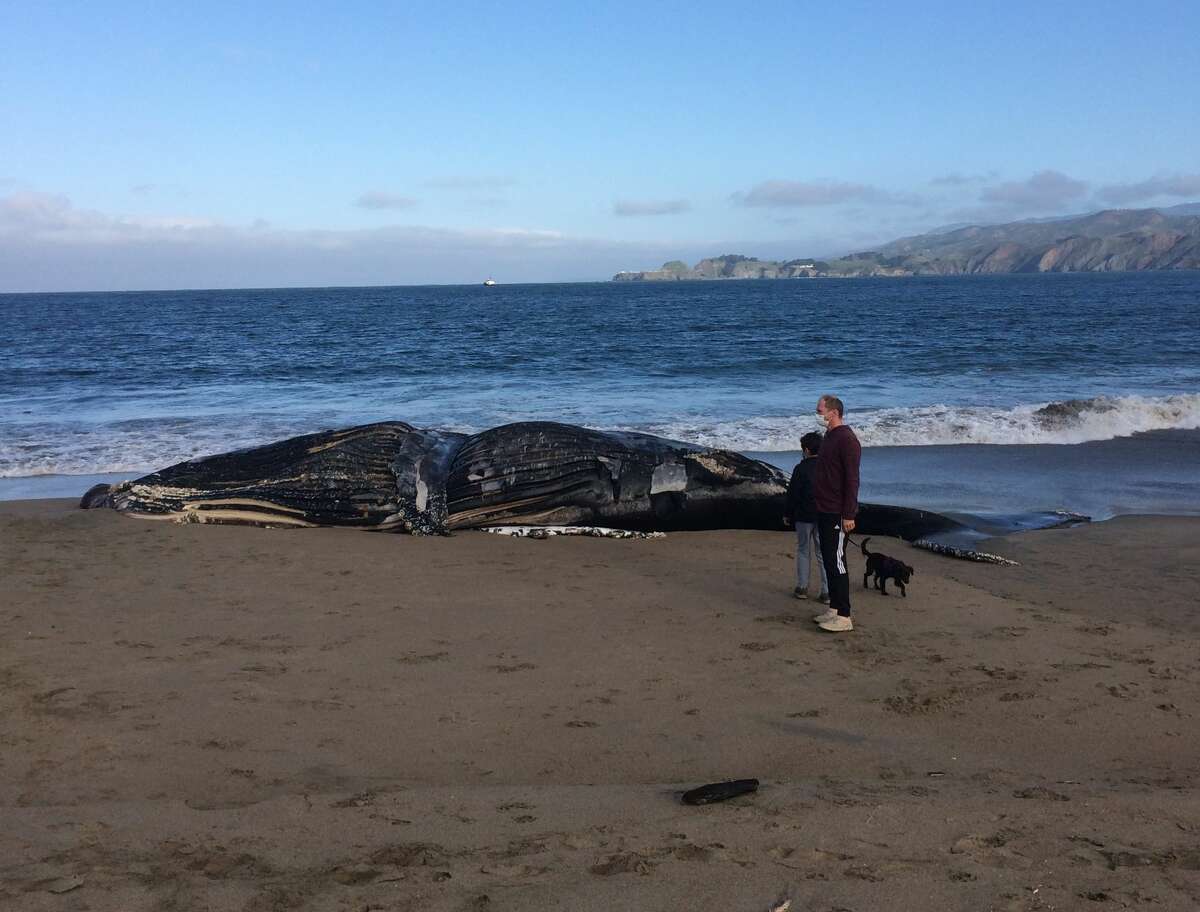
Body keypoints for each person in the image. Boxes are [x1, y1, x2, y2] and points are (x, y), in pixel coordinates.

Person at [812, 395, 862, 633]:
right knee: (829, 559)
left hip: (838, 511)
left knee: (838, 560)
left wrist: (849, 514)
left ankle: (845, 614)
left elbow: (852, 479)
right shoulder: (828, 437)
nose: (817, 413)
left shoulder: (847, 439)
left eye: (819, 410)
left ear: (833, 412)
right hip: (823, 507)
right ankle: (834, 607)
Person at [784, 431, 828, 603]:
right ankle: (826, 591)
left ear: (807, 450)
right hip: (824, 513)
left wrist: (788, 513)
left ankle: (802, 587)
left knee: (803, 549)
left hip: (803, 515)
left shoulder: (800, 468)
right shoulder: (827, 466)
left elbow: (793, 493)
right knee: (822, 552)